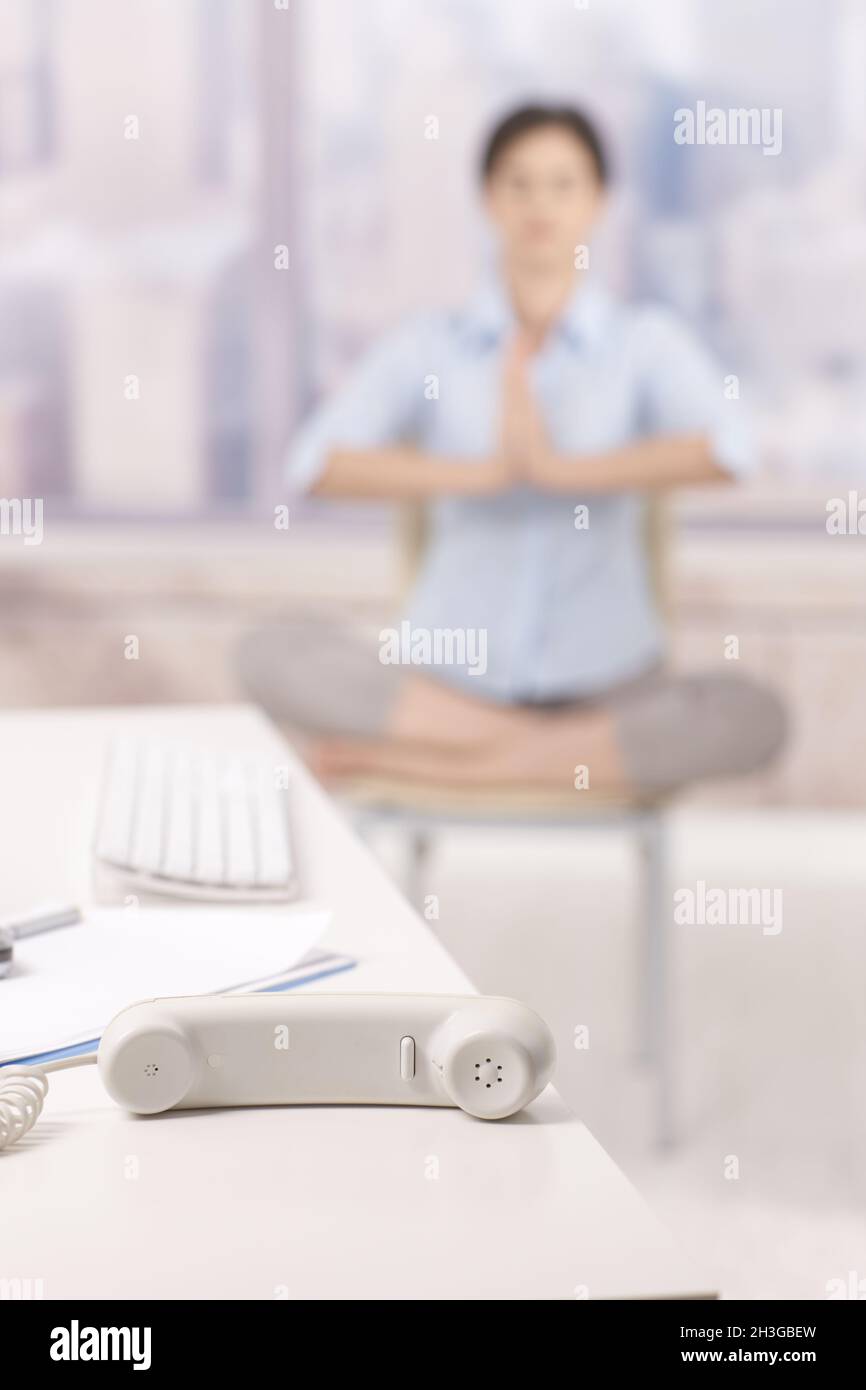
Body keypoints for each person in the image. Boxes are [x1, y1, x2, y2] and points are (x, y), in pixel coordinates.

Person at [239, 103, 786, 796]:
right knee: (270, 652)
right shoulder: (430, 344)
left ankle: (416, 762)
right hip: (445, 686)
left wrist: (565, 472)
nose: (540, 205)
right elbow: (314, 464)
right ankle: (548, 757)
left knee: (754, 715)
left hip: (610, 686)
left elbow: (733, 449)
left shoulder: (642, 343)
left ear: (599, 203)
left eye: (564, 185)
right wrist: (484, 474)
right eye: (519, 184)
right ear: (488, 199)